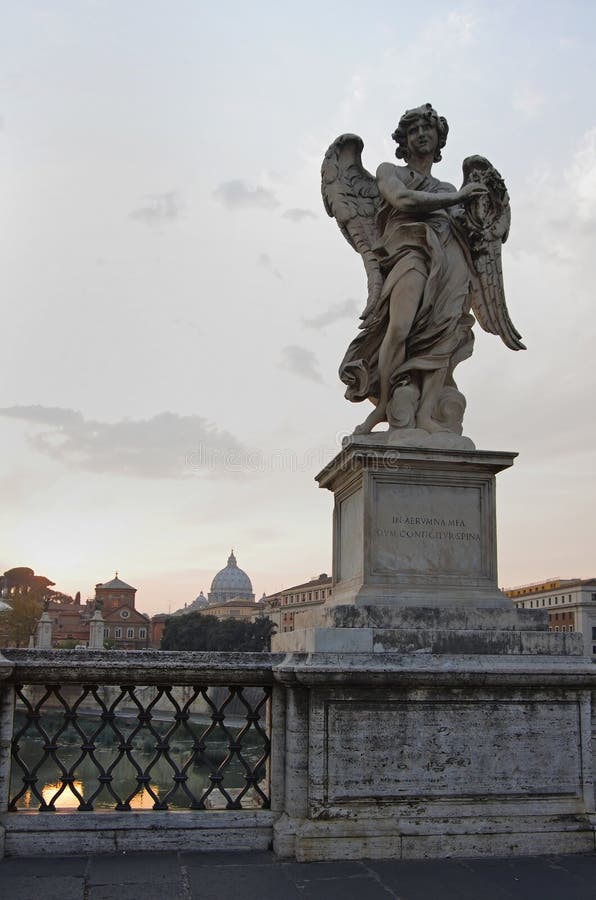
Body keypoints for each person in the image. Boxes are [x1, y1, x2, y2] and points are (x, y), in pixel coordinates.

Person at [340, 103, 487, 434]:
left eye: (428, 130)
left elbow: (469, 233)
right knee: (400, 325)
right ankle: (385, 407)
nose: (421, 135)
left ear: (438, 139)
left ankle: (425, 414)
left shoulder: (449, 189)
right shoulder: (389, 171)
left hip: (449, 262)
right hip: (410, 253)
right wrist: (457, 199)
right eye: (414, 130)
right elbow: (403, 201)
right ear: (404, 140)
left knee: (446, 331)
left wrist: (480, 214)